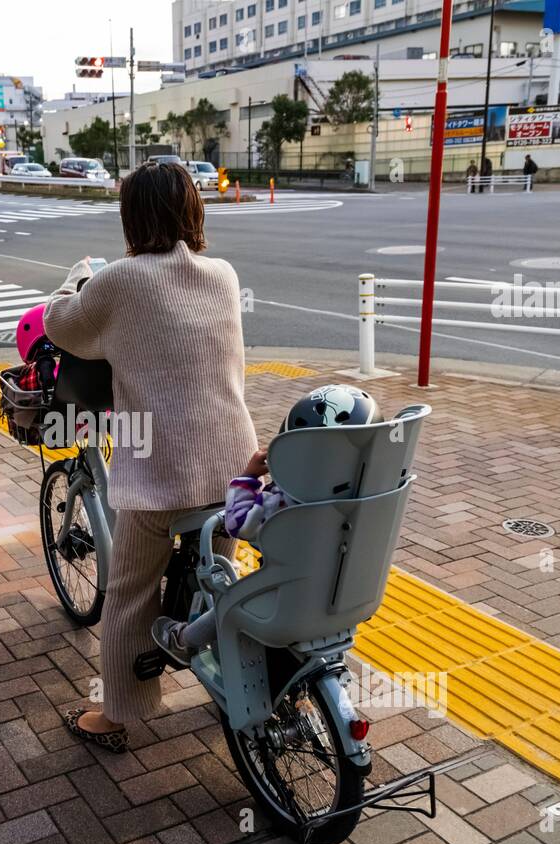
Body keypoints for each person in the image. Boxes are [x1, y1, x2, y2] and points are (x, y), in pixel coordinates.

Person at [42, 160, 257, 753]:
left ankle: (117, 714)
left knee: (131, 593)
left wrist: (74, 279)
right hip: (235, 468)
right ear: (194, 211)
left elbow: (63, 326)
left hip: (162, 474)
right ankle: (231, 677)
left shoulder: (119, 282)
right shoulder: (221, 273)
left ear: (131, 218)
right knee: (221, 578)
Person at [150, 385, 384, 665]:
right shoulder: (374, 496)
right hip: (349, 595)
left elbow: (240, 524)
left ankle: (183, 640)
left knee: (231, 603)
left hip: (286, 600)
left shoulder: (285, 501)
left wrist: (248, 477)